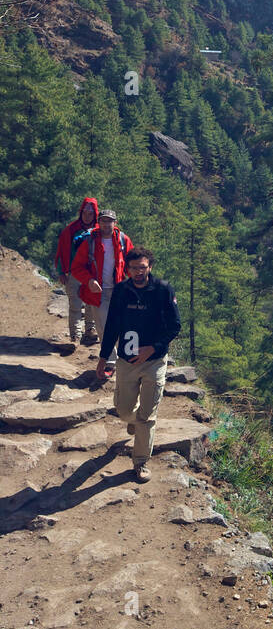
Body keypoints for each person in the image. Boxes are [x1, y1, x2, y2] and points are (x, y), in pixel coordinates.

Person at [97, 246, 181, 482]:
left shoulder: (163, 290)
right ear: (127, 268)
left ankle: (141, 462)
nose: (138, 272)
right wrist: (103, 358)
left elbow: (175, 325)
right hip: (126, 359)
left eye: (142, 267)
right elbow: (112, 325)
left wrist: (153, 348)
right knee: (124, 411)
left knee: (147, 416)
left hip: (154, 360)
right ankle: (133, 422)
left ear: (149, 267)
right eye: (133, 268)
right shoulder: (122, 290)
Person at [70, 208, 133, 377]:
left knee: (123, 325)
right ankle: (110, 362)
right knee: (104, 327)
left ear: (115, 222)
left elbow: (132, 264)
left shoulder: (123, 240)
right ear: (99, 222)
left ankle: (126, 359)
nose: (106, 224)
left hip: (119, 291)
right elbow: (76, 267)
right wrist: (89, 280)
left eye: (109, 220)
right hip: (98, 293)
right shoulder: (90, 241)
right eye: (103, 220)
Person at [53, 197, 100, 346]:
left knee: (92, 303)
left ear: (95, 214)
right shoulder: (71, 230)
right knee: (75, 304)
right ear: (81, 212)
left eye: (91, 213)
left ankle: (90, 331)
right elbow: (62, 251)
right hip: (74, 273)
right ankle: (75, 336)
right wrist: (62, 272)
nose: (87, 216)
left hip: (93, 273)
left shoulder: (100, 231)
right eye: (85, 212)